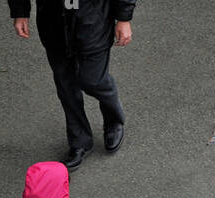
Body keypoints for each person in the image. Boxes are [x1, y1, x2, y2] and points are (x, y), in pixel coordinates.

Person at [9, 1, 134, 167]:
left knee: (93, 80)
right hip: (53, 23)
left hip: (93, 20)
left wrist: (123, 18)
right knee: (65, 84)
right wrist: (20, 11)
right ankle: (79, 141)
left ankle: (113, 120)